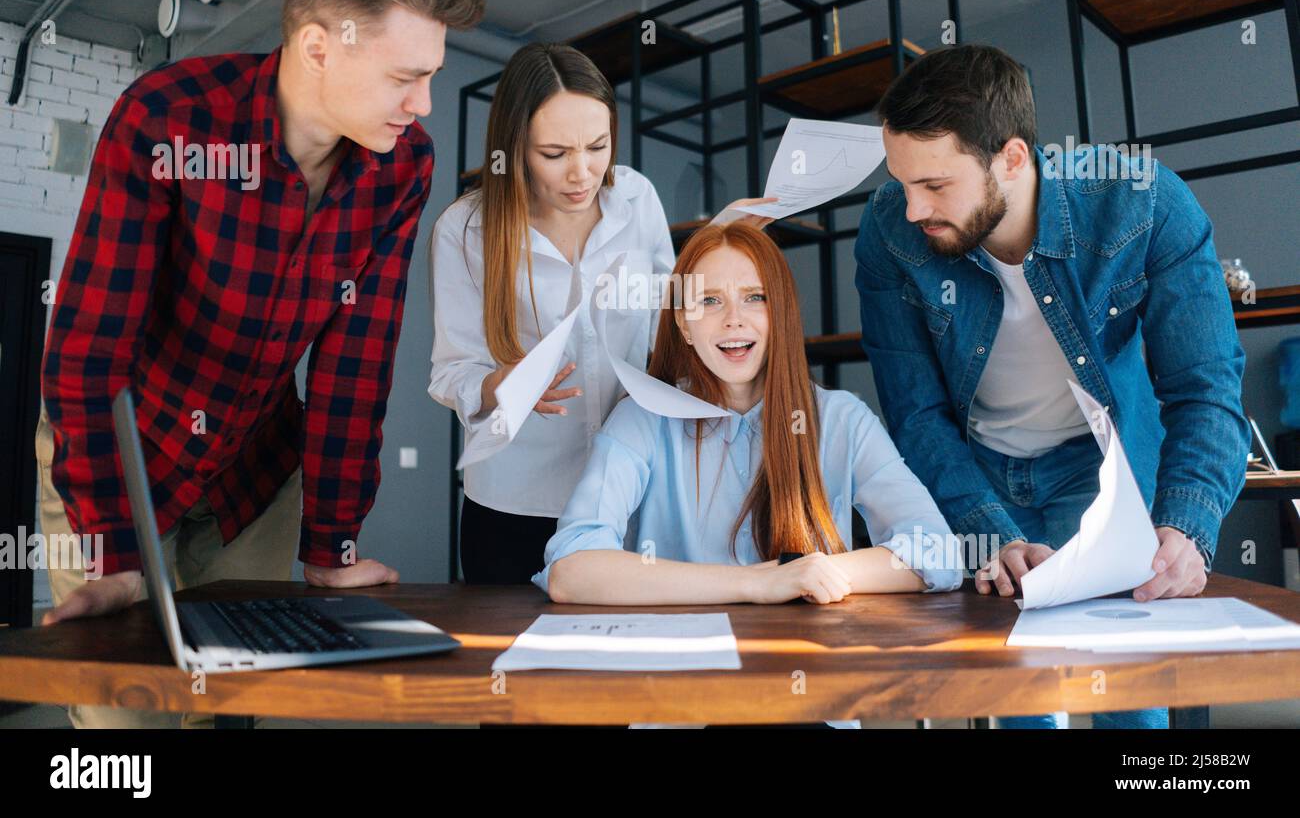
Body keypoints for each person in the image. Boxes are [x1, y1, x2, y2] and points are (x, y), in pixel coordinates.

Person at [35, 0, 485, 728]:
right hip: (124, 455)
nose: (424, 104)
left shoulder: (402, 167)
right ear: (318, 46)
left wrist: (332, 545)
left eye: (431, 74)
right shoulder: (167, 120)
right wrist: (116, 546)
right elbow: (90, 352)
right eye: (405, 77)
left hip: (258, 468)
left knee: (231, 703)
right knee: (126, 715)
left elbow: (357, 365)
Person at [853, 43, 1249, 729]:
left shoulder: (1144, 204)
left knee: (1125, 699)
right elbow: (915, 414)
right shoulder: (890, 231)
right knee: (1023, 700)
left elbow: (1205, 388)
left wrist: (1188, 526)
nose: (911, 209)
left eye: (935, 186)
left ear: (1011, 158)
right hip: (979, 474)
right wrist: (986, 530)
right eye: (901, 181)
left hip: (1099, 475)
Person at [535, 223, 962, 729]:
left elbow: (938, 552)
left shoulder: (841, 418)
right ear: (684, 324)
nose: (733, 319)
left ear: (780, 313)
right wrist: (755, 584)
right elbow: (572, 569)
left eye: (754, 297)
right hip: (680, 705)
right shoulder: (641, 418)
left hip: (810, 701)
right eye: (710, 301)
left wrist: (816, 574)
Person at [428, 43, 772, 584]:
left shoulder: (637, 198)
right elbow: (451, 373)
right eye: (555, 153)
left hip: (628, 492)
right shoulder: (465, 230)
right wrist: (505, 383)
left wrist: (724, 259)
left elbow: (672, 320)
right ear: (514, 146)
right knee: (513, 661)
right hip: (515, 503)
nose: (582, 173)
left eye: (597, 146)